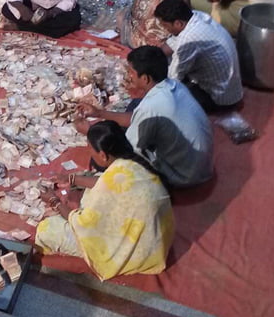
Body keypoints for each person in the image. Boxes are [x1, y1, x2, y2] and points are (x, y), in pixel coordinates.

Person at [35, 120, 174, 280]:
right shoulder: (134, 164)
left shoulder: (111, 182)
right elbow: (104, 183)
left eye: (90, 149)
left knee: (46, 229)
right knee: (96, 180)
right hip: (156, 244)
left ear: (102, 155)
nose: (89, 152)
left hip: (137, 253)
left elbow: (82, 223)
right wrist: (71, 179)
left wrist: (54, 201)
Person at [76, 46, 213, 188]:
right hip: (203, 166)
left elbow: (124, 150)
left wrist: (90, 132)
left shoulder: (151, 107)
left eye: (131, 72)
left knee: (102, 158)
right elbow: (136, 117)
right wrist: (99, 113)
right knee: (135, 104)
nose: (129, 76)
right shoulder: (175, 85)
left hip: (183, 176)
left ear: (145, 78)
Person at [154, 0, 243, 111]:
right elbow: (174, 41)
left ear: (178, 23)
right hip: (232, 90)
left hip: (220, 99)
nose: (165, 30)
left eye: (165, 26)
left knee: (168, 96)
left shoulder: (188, 39)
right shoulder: (197, 16)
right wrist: (155, 55)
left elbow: (174, 78)